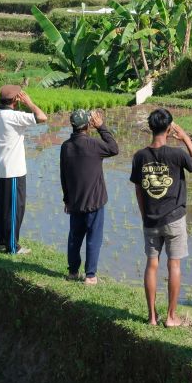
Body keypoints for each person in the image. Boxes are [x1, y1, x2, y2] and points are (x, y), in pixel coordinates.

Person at [130, 108, 192, 326]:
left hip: (150, 219)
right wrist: (187, 140)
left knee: (151, 265)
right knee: (174, 266)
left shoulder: (139, 156)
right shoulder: (177, 154)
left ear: (150, 128)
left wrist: (145, 215)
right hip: (174, 219)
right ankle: (171, 317)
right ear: (170, 128)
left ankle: (152, 317)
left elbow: (139, 189)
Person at [0, 86, 47, 254]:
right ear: (16, 100)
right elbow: (42, 117)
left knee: (2, 208)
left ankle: (2, 244)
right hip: (14, 171)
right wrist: (30, 103)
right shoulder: (15, 116)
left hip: (0, 168)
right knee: (15, 209)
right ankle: (12, 246)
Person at [60, 108, 119, 284]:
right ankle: (90, 276)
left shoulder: (66, 146)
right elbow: (114, 148)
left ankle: (72, 272)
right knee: (94, 238)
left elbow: (63, 174)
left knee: (75, 237)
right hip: (94, 201)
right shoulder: (94, 145)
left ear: (72, 125)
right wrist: (102, 127)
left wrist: (67, 199)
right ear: (88, 125)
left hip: (75, 201)